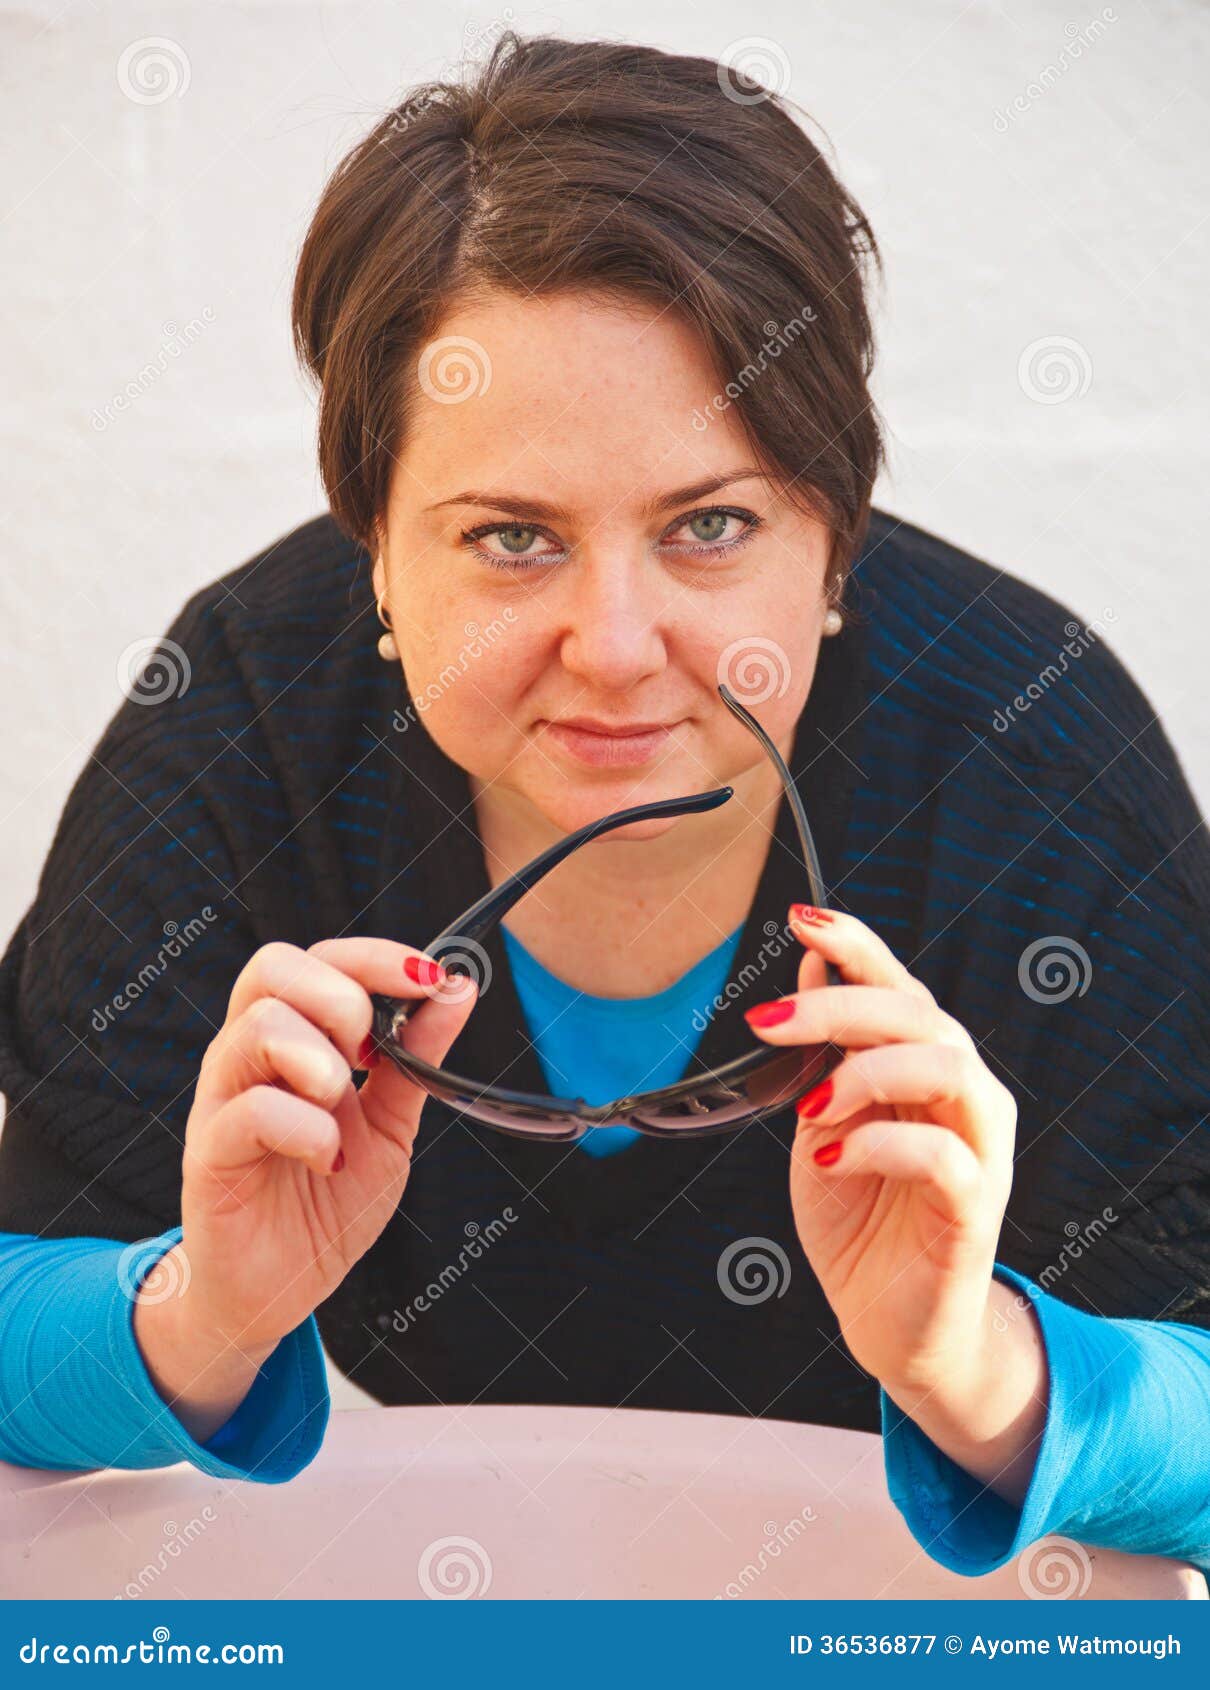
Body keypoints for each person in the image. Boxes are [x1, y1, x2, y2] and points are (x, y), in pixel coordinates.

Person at [1, 32, 1207, 1587]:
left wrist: (978, 1364)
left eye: (710, 524)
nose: (618, 649)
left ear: (833, 537)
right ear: (372, 543)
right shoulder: (246, 717)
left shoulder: (1031, 758)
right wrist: (198, 1314)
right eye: (510, 538)